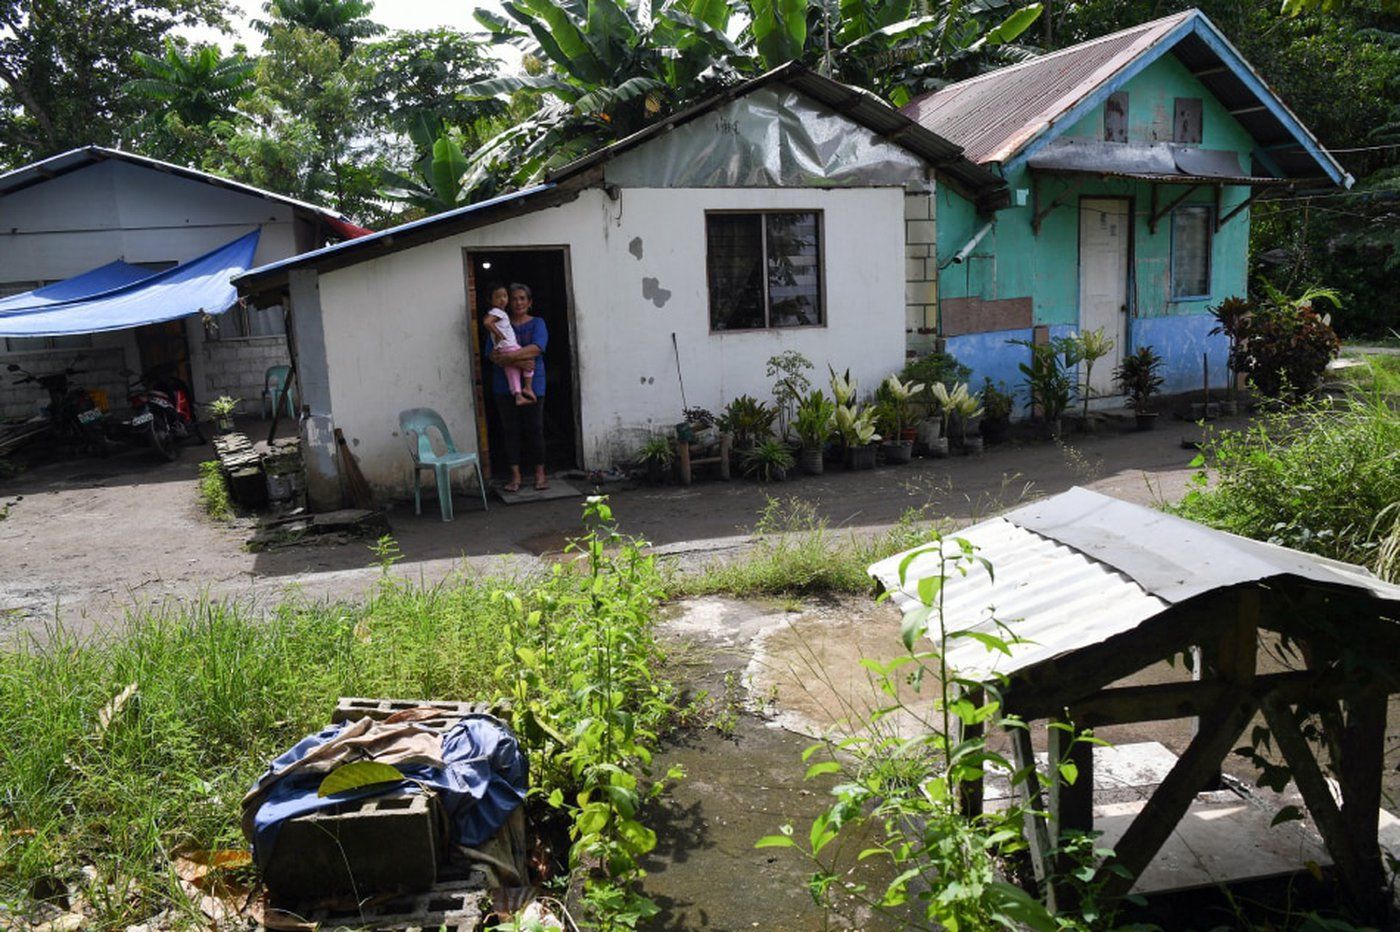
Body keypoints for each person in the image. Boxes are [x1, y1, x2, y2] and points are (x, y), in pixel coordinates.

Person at [488, 283, 549, 492]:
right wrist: (520, 362)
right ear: (506, 302)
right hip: (503, 386)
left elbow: (538, 348)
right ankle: (516, 476)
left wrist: (511, 358)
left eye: (523, 298)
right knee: (510, 430)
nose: (518, 302)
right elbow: (493, 355)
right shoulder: (501, 323)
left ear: (530, 302)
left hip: (534, 384)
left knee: (535, 429)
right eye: (514, 299)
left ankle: (540, 474)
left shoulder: (538, 323)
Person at [482, 284, 535, 405]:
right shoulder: (498, 312)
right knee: (529, 360)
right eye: (498, 297)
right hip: (508, 346)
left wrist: (512, 361)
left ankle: (518, 395)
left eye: (505, 296)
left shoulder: (499, 314)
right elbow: (487, 323)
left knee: (512, 372)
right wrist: (499, 334)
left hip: (503, 349)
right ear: (491, 300)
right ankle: (528, 387)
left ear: (529, 302)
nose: (502, 300)